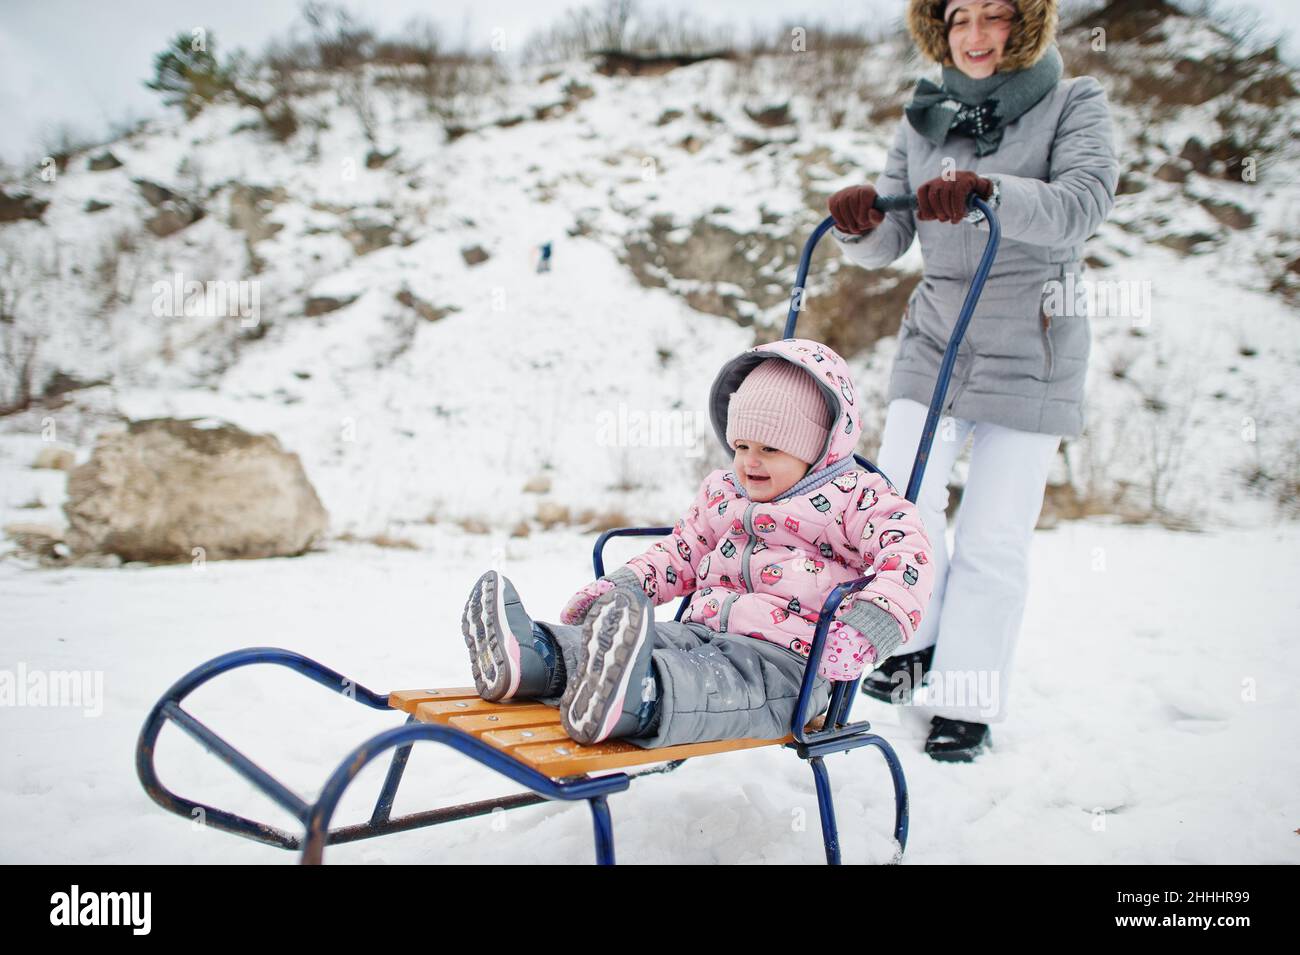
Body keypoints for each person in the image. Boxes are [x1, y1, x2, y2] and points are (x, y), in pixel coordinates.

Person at [826, 0, 1119, 760]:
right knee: (899, 501)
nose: (977, 35)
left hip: (1033, 339)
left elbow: (1083, 206)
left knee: (993, 535)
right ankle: (913, 641)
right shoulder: (922, 116)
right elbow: (890, 239)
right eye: (960, 19)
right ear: (940, 29)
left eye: (995, 15)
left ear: (1023, 24)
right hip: (936, 336)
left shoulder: (1072, 102)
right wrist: (861, 223)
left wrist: (990, 190)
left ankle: (967, 696)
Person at [460, 338, 934, 748]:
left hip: (788, 663)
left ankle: (638, 697)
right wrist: (624, 588)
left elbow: (909, 559)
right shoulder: (723, 491)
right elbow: (679, 553)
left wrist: (866, 629)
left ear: (818, 448)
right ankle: (538, 656)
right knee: (650, 643)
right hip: (701, 630)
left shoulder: (858, 498)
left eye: (770, 448)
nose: (750, 462)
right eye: (742, 446)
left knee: (712, 684)